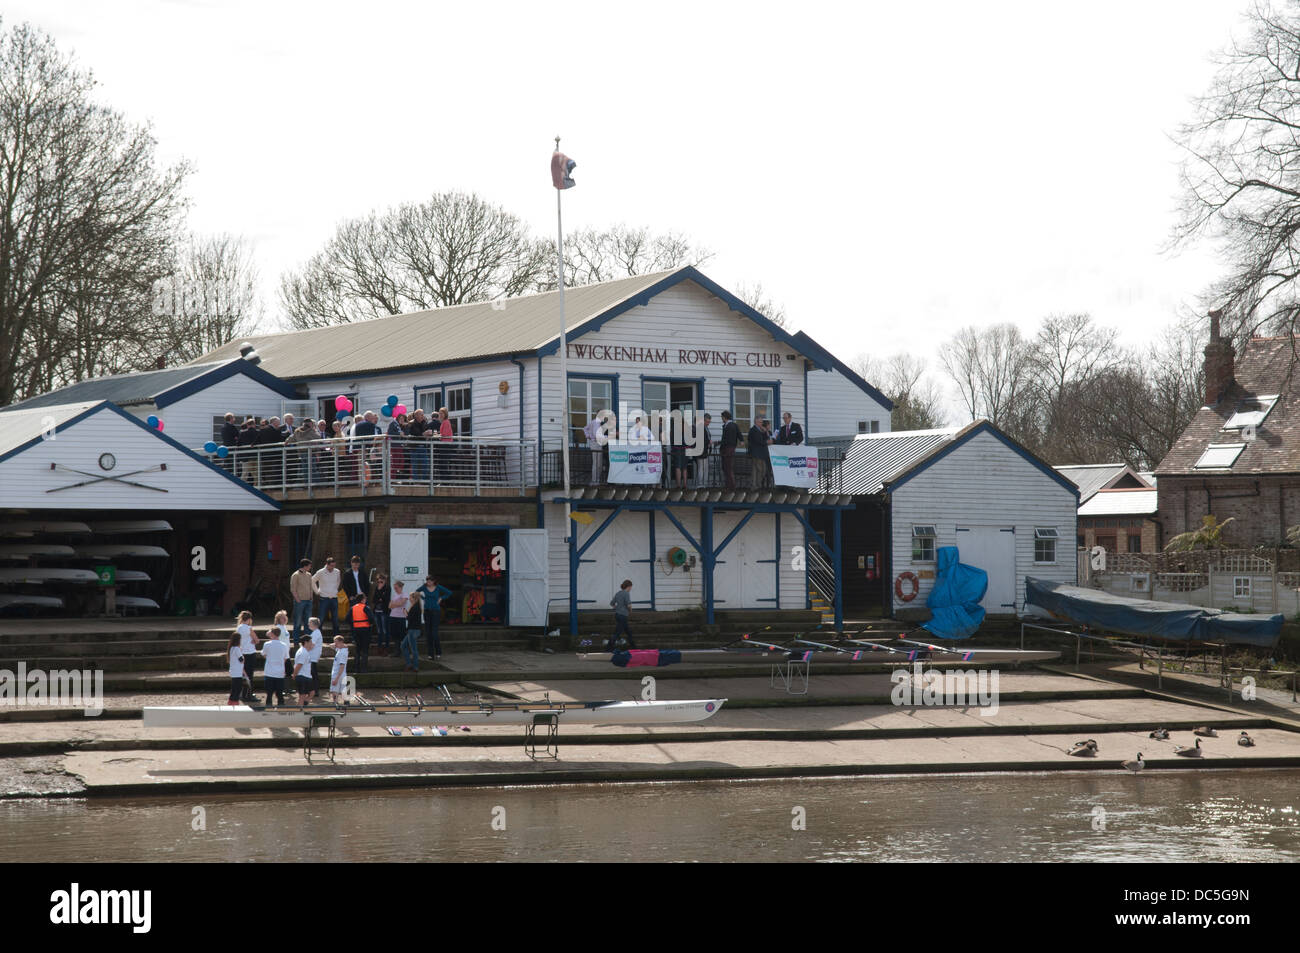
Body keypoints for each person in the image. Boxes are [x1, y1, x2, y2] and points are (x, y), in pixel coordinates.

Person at [415, 575, 452, 660]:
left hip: (436, 612)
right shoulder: (424, 587)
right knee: (428, 633)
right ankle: (430, 654)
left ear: (434, 581)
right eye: (427, 580)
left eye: (430, 581)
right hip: (427, 611)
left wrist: (441, 598)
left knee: (434, 633)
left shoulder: (438, 587)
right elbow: (416, 592)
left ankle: (438, 652)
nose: (428, 582)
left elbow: (449, 593)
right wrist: (422, 597)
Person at [260, 625, 289, 707]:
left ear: (272, 634)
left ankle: (268, 708)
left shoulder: (267, 644)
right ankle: (281, 708)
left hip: (269, 672)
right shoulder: (284, 645)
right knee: (280, 693)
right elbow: (285, 658)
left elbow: (263, 654)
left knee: (269, 694)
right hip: (280, 672)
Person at [312, 556, 342, 638]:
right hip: (324, 598)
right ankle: (318, 636)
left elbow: (338, 581)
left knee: (335, 619)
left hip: (334, 598)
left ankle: (337, 637)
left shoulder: (337, 571)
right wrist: (317, 591)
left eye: (334, 566)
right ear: (327, 564)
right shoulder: (320, 572)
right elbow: (312, 580)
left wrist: (335, 589)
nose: (332, 567)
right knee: (321, 618)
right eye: (331, 566)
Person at [389, 580, 414, 670]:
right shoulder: (395, 595)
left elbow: (401, 603)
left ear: (400, 587)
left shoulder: (405, 594)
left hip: (400, 617)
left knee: (402, 635)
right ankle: (397, 651)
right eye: (394, 588)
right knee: (395, 635)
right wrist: (396, 604)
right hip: (393, 616)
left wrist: (395, 604)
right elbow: (390, 606)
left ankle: (404, 651)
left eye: (396, 587)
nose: (395, 589)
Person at [236, 610, 259, 703]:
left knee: (243, 674)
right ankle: (248, 695)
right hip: (250, 653)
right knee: (249, 675)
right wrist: (253, 641)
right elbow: (256, 640)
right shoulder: (249, 628)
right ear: (249, 619)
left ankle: (243, 693)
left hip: (242, 652)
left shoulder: (239, 628)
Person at [348, 592, 374, 673]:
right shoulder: (366, 607)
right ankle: (364, 669)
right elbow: (371, 618)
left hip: (356, 629)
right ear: (363, 600)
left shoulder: (353, 608)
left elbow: (347, 618)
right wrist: (370, 624)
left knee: (358, 650)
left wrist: (353, 624)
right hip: (365, 629)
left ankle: (356, 668)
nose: (366, 600)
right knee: (365, 649)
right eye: (365, 598)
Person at [398, 582, 421, 671]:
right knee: (403, 646)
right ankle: (409, 664)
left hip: (413, 630)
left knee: (413, 649)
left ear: (413, 599)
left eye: (410, 597)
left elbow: (409, 619)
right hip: (415, 630)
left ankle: (415, 666)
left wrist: (405, 613)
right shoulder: (417, 606)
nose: (409, 599)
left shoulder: (414, 607)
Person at [290, 559, 314, 644]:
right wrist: (297, 599)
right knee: (298, 622)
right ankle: (296, 641)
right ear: (305, 566)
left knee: (308, 622)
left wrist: (311, 597)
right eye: (309, 565)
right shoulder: (295, 575)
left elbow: (311, 587)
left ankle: (307, 640)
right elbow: (293, 589)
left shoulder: (309, 575)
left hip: (308, 601)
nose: (310, 567)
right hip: (300, 601)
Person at [608, 579, 636, 650]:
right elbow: (629, 605)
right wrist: (630, 610)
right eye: (631, 587)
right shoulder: (626, 593)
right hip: (623, 616)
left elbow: (612, 603)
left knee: (628, 631)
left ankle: (633, 647)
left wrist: (617, 608)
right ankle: (609, 647)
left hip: (617, 615)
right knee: (618, 632)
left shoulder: (618, 593)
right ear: (628, 586)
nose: (631, 589)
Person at [748, 416, 771, 489]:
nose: (762, 423)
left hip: (762, 453)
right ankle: (755, 485)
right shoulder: (753, 430)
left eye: (762, 422)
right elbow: (758, 441)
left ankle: (756, 485)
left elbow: (766, 438)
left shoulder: (761, 430)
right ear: (756, 422)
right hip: (756, 453)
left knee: (762, 470)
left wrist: (765, 432)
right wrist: (766, 442)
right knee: (758, 470)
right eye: (760, 422)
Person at [583, 411, 606, 485]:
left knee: (599, 463)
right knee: (595, 462)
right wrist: (588, 436)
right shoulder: (593, 422)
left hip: (600, 444)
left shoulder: (603, 423)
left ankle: (598, 479)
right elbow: (585, 428)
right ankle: (594, 480)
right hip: (594, 443)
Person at [719, 410, 740, 490]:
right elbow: (739, 434)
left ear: (725, 417)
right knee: (727, 467)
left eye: (722, 417)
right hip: (731, 448)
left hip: (727, 449)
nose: (721, 419)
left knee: (727, 467)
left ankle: (731, 486)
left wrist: (721, 445)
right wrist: (741, 441)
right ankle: (730, 485)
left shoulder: (728, 426)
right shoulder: (734, 425)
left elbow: (725, 439)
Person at [372, 572, 391, 657]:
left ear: (385, 581)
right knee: (379, 631)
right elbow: (374, 600)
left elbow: (385, 599)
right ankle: (379, 647)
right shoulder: (377, 588)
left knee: (385, 630)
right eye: (378, 582)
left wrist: (380, 595)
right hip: (377, 611)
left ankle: (386, 647)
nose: (380, 583)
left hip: (384, 612)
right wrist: (379, 597)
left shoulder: (387, 588)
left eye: (381, 582)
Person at [293, 633, 315, 705]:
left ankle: (304, 704)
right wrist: (294, 674)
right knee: (302, 696)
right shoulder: (303, 652)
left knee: (312, 692)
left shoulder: (305, 651)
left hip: (307, 676)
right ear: (306, 642)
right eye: (310, 641)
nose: (312, 643)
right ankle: (299, 710)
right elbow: (299, 665)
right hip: (302, 676)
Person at [329, 635, 349, 704]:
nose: (335, 644)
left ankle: (335, 704)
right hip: (340, 674)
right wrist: (337, 644)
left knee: (335, 691)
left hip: (338, 674)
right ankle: (345, 703)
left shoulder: (342, 652)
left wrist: (336, 678)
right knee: (343, 690)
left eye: (336, 642)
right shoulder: (340, 649)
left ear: (341, 642)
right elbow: (331, 645)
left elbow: (342, 666)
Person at [226, 632, 244, 706]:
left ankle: (231, 701)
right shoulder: (237, 648)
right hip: (237, 672)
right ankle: (235, 702)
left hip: (234, 671)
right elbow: (241, 660)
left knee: (234, 688)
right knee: (238, 688)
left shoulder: (231, 648)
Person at [696, 413, 713, 487]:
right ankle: (700, 484)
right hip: (701, 451)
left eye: (709, 422)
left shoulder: (705, 427)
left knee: (705, 469)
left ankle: (704, 484)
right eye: (707, 422)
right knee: (701, 468)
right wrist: (708, 443)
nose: (708, 423)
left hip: (705, 450)